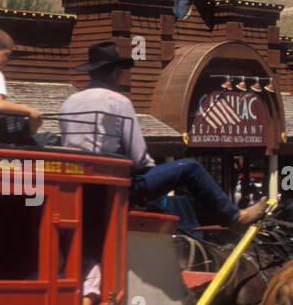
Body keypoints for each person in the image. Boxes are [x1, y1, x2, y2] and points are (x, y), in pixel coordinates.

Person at [58, 41, 266, 229]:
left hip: (80, 185)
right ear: (114, 73)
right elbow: (139, 158)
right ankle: (232, 216)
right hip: (118, 186)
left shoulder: (69, 103)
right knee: (189, 168)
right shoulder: (118, 102)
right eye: (120, 72)